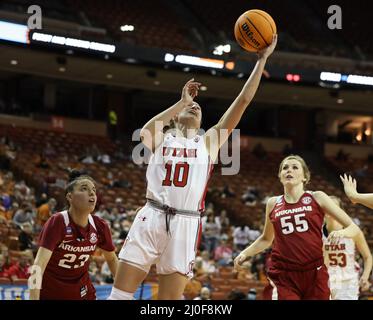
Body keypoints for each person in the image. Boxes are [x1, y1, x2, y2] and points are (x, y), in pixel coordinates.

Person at [108, 35, 278, 300]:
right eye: (191, 107)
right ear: (176, 116)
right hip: (151, 215)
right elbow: (145, 133)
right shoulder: (164, 137)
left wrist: (262, 60)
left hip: (186, 222)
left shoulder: (208, 142)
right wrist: (182, 102)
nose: (195, 107)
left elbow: (243, 101)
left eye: (198, 108)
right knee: (119, 296)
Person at [234, 155, 361, 300]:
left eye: (295, 167)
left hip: (315, 272)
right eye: (285, 168)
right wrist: (244, 253)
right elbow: (266, 239)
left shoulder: (317, 197)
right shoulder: (273, 203)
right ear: (280, 176)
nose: (289, 170)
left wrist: (342, 232)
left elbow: (353, 227)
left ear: (304, 177)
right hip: (285, 274)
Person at [28, 169, 118, 300]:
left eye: (93, 189)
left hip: (82, 291)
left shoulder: (100, 225)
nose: (92, 192)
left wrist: (124, 292)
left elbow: (112, 259)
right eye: (84, 189)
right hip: (52, 291)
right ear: (70, 197)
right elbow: (38, 266)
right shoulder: (57, 222)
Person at [324, 196, 372, 300]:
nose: (329, 208)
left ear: (340, 211)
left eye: (332, 206)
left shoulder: (353, 231)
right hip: (324, 280)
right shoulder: (316, 232)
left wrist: (365, 276)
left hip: (348, 282)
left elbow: (367, 256)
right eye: (326, 206)